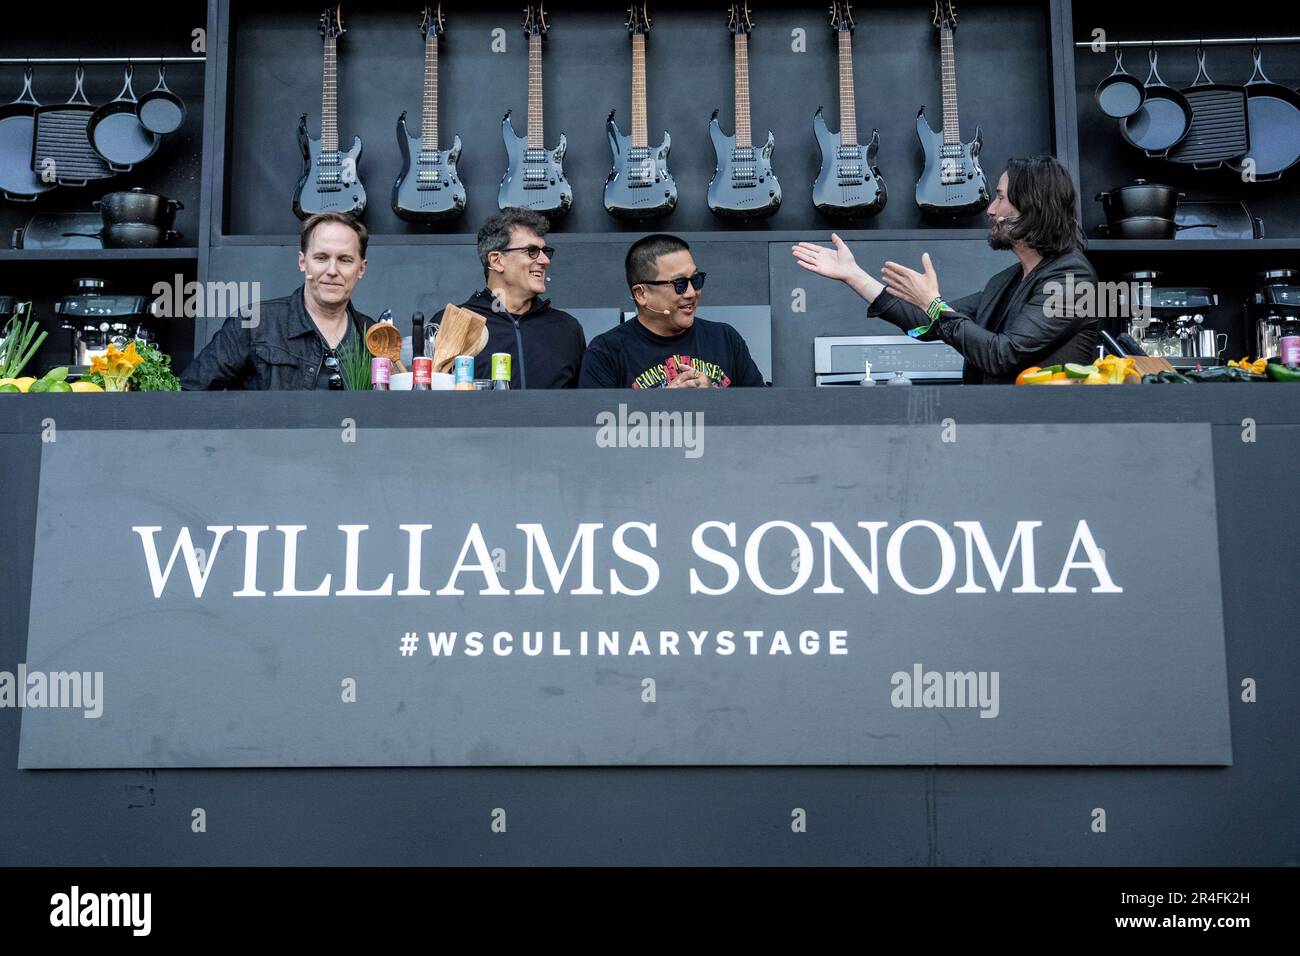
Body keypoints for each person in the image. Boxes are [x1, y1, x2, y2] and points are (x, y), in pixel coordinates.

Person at [792, 155, 1099, 384]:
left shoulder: (1072, 280)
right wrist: (853, 274)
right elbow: (927, 323)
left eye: (1000, 198)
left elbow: (1002, 355)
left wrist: (934, 303)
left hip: (1046, 434)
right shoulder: (1007, 281)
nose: (991, 209)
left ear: (1032, 206)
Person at [181, 212, 374, 390]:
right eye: (321, 258)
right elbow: (188, 394)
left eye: (345, 260)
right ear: (303, 262)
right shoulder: (251, 324)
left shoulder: (376, 337)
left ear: (361, 269)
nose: (332, 270)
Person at [580, 234, 766, 388]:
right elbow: (596, 421)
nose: (692, 293)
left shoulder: (725, 339)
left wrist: (713, 400)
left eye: (696, 279)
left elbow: (763, 412)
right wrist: (667, 405)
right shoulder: (606, 353)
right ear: (641, 294)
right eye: (680, 283)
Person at [430, 208, 586, 388]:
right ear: (496, 261)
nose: (545, 260)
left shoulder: (567, 329)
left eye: (545, 251)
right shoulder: (452, 323)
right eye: (532, 251)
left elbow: (585, 402)